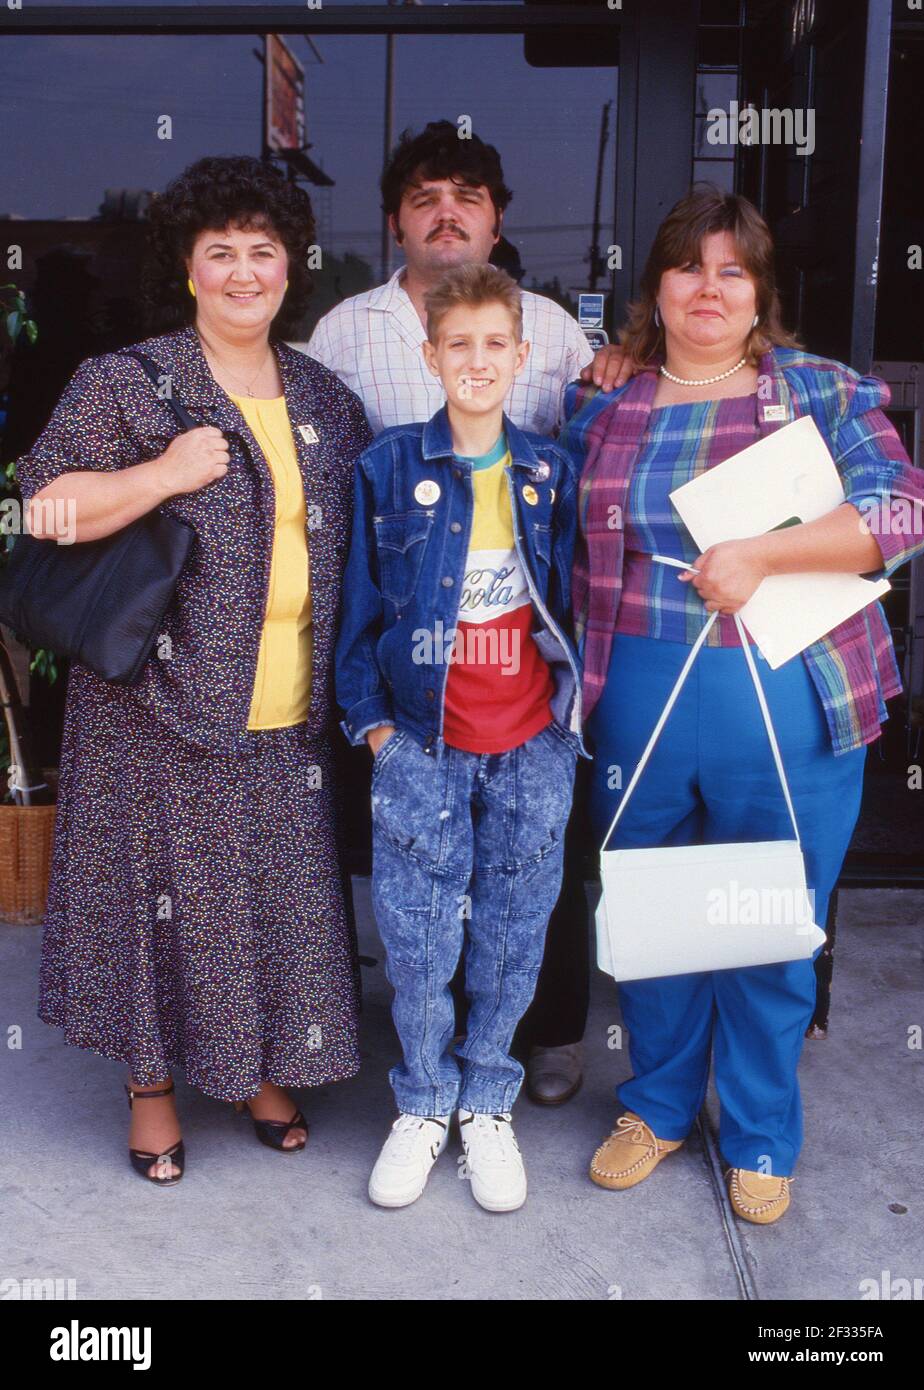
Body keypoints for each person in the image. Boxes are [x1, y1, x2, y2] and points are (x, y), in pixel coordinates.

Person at [563, 185, 924, 1224]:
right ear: (657, 290)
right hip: (637, 682)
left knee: (770, 914)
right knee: (655, 913)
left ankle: (763, 1130)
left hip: (789, 681)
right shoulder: (600, 401)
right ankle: (659, 1105)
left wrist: (762, 554)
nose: (708, 286)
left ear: (760, 291)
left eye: (732, 268)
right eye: (688, 266)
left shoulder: (818, 389)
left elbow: (906, 511)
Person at [16, 156, 372, 1185]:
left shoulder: (325, 397)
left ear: (290, 266)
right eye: (221, 252)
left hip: (286, 706)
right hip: (154, 705)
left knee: (269, 898)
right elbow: (43, 506)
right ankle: (153, 1088)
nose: (244, 271)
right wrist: (162, 473)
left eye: (263, 250)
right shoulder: (129, 381)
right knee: (159, 901)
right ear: (186, 268)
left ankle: (255, 1067)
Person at [311, 119, 628, 1103]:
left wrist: (631, 353)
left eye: (467, 197)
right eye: (423, 197)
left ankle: (549, 1029)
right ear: (397, 220)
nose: (446, 212)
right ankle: (428, 1043)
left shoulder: (549, 327)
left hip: (518, 636)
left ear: (494, 221)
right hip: (407, 626)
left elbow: (590, 452)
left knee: (540, 853)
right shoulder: (345, 328)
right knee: (416, 860)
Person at [335, 264, 585, 1211]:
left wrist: (565, 727)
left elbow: (571, 605)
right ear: (430, 355)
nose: (476, 361)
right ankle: (424, 1100)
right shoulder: (386, 468)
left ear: (522, 357)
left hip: (528, 743)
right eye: (458, 345)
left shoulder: (549, 470)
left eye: (494, 345)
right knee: (417, 937)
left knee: (514, 937)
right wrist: (375, 733)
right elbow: (354, 616)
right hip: (421, 748)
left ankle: (487, 1101)